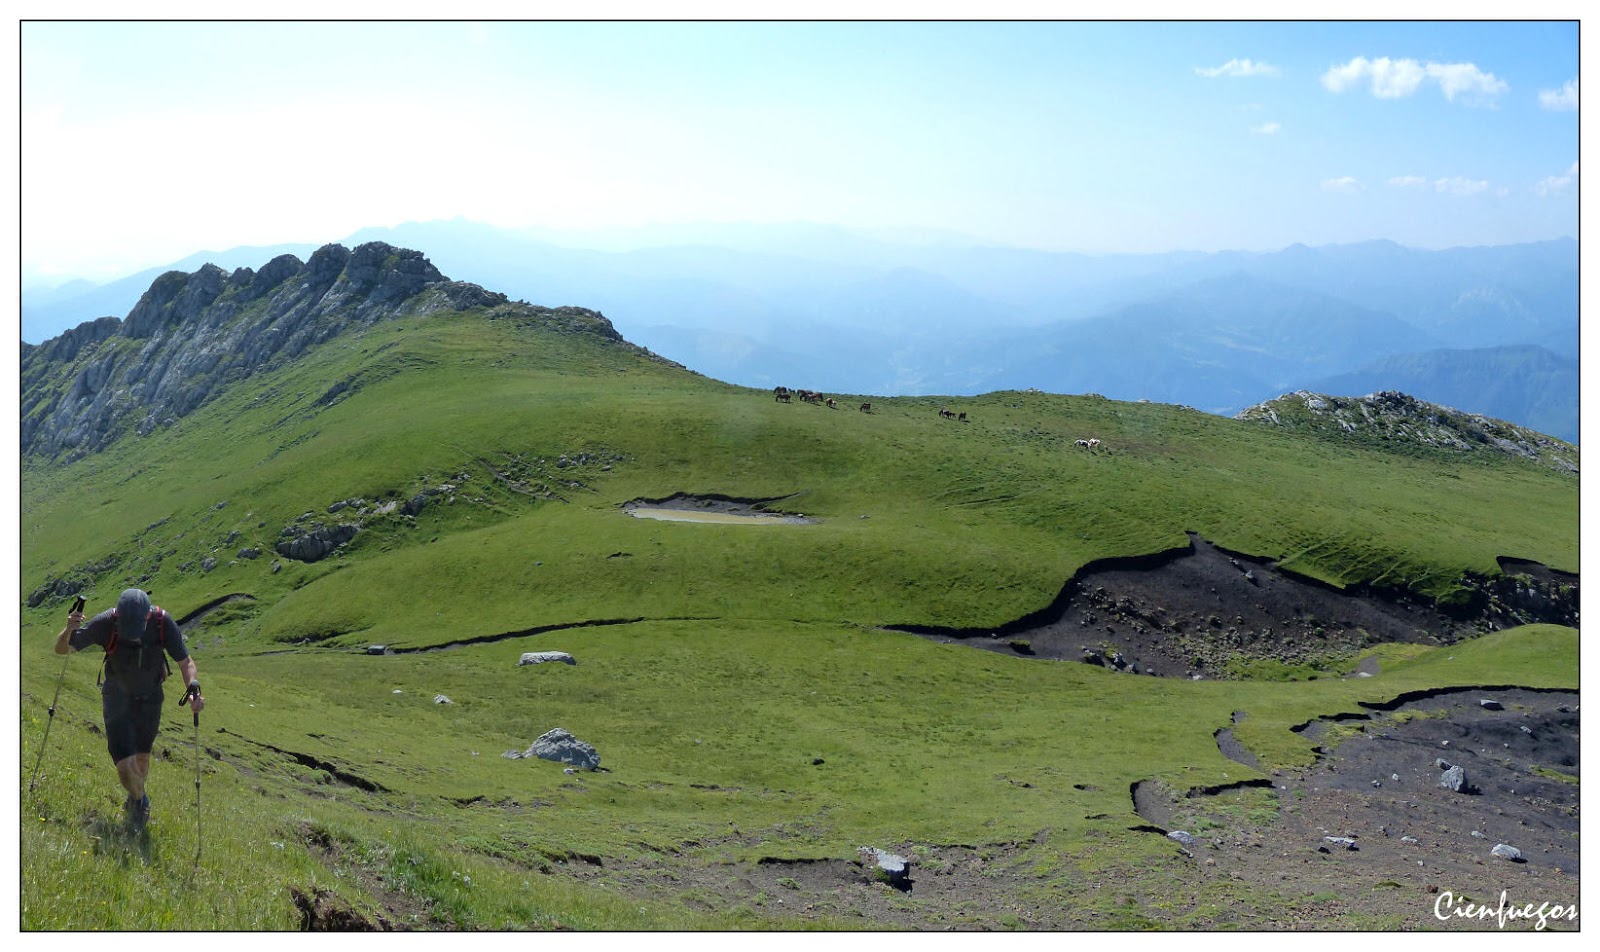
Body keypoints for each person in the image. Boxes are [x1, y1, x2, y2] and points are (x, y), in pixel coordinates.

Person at [55, 587, 205, 829]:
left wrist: (193, 690)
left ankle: (135, 802)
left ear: (147, 617)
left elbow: (185, 661)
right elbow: (62, 649)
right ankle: (141, 800)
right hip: (117, 699)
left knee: (143, 760)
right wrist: (68, 630)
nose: (133, 637)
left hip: (150, 698)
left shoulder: (161, 622)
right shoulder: (106, 622)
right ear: (119, 617)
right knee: (125, 767)